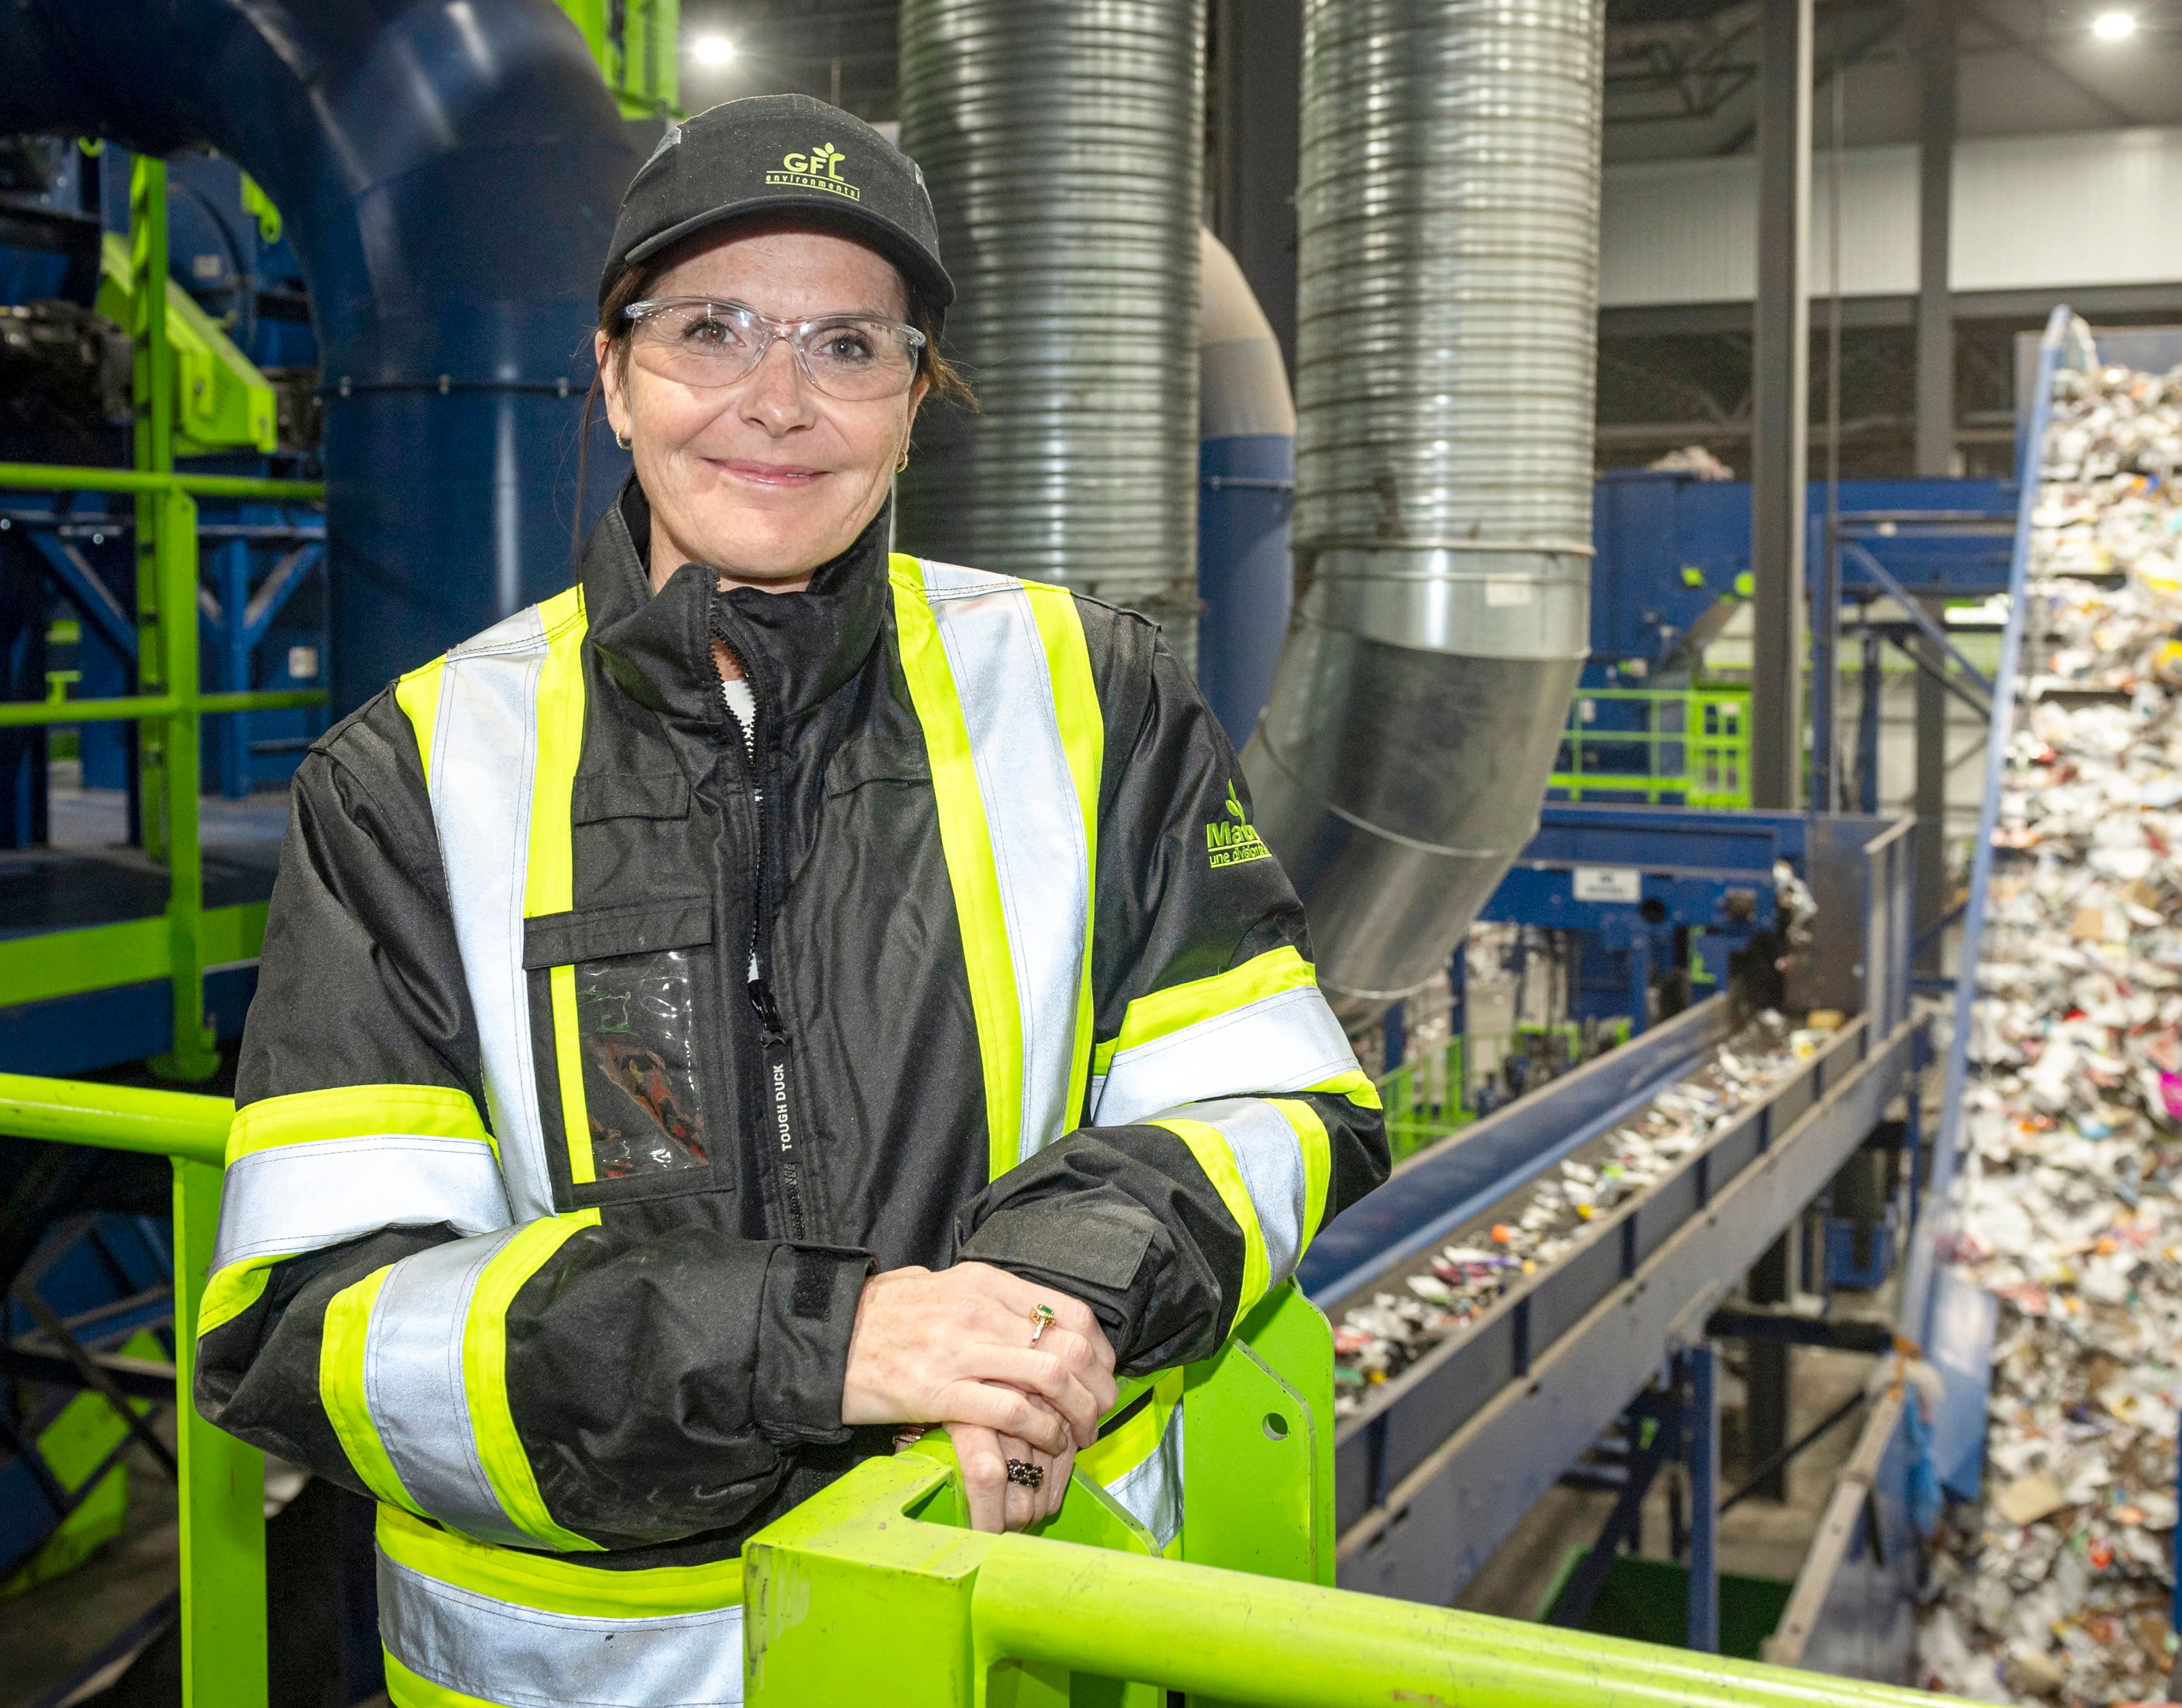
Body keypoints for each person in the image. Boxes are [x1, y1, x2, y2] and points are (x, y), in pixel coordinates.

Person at [193, 94, 1388, 1708]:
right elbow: (319, 1315)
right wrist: (821, 1341)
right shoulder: (413, 767)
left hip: (1014, 1636)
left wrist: (1037, 1314)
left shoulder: (1088, 690)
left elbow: (1269, 1099)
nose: (776, 400)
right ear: (613, 374)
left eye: (848, 345)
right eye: (711, 329)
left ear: (912, 401)